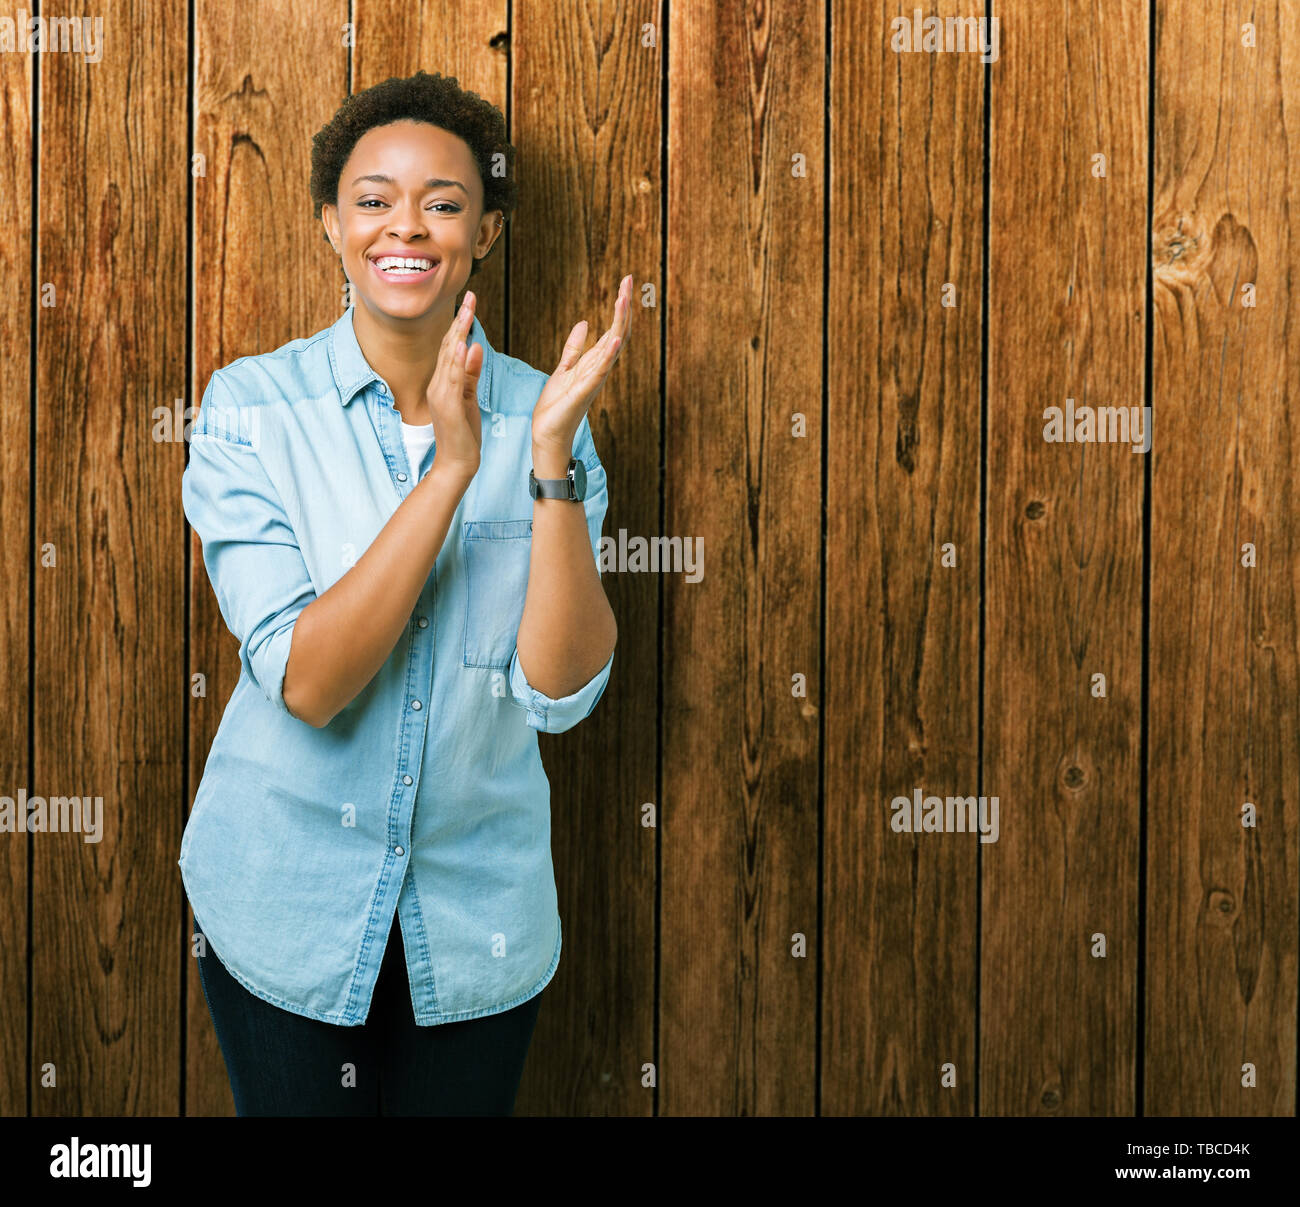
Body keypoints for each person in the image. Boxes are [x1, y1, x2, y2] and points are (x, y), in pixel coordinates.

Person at [180, 70, 630, 1116]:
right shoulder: (251, 409)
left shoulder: (546, 413)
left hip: (479, 921)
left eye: (443, 203)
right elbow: (309, 683)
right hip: (281, 904)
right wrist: (450, 474)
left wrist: (550, 460)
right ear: (330, 224)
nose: (407, 228)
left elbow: (560, 692)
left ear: (486, 233)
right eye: (374, 200)